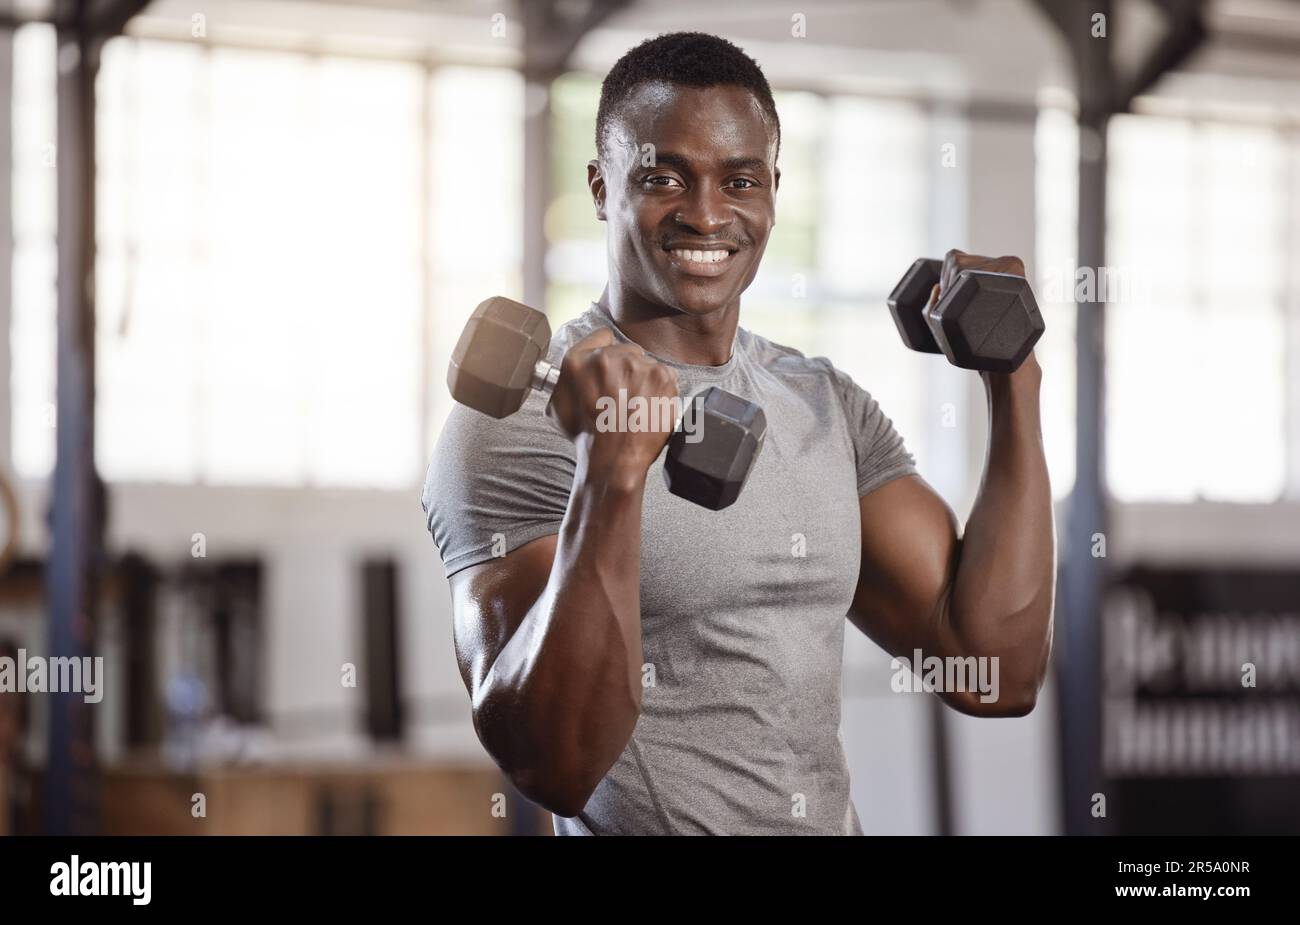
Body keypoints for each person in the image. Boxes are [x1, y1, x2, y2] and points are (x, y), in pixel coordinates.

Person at [422, 31, 1054, 835]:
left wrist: (1017, 381)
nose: (707, 213)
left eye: (739, 179)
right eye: (663, 177)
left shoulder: (823, 404)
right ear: (600, 187)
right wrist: (610, 475)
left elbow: (994, 671)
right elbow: (555, 761)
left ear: (773, 193)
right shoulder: (521, 419)